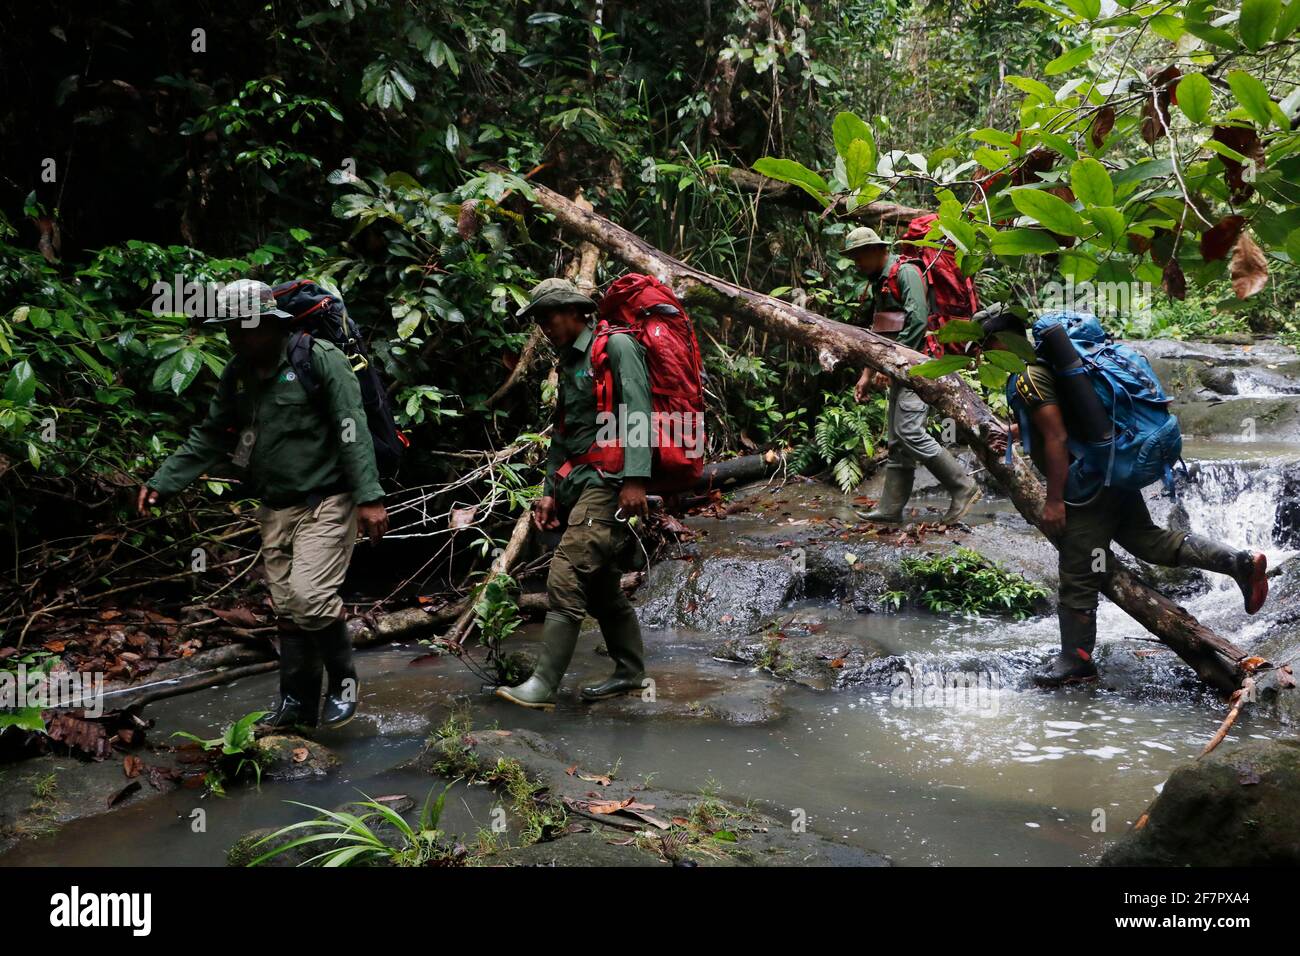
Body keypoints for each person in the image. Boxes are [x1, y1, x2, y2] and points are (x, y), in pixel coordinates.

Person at [139, 279, 389, 729]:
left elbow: (352, 428)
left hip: (327, 500)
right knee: (289, 611)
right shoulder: (238, 375)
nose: (239, 337)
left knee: (311, 600)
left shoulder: (318, 359)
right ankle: (296, 705)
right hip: (274, 508)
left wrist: (369, 498)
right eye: (233, 329)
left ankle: (344, 685)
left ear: (275, 325)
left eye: (248, 327)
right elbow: (211, 434)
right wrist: (164, 481)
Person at [981, 307, 1269, 687]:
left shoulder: (1028, 376)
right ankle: (1239, 562)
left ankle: (1076, 663)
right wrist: (1015, 433)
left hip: (1085, 483)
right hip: (1114, 464)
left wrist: (1054, 500)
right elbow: (1061, 417)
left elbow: (1056, 437)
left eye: (985, 344)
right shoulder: (1055, 365)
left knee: (1078, 571)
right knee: (1147, 539)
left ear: (1001, 343)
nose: (983, 352)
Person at [495, 278, 651, 711]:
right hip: (582, 482)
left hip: (612, 481)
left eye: (550, 316)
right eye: (539, 320)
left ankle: (543, 685)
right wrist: (550, 492)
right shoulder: (570, 361)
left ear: (576, 311)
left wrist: (637, 479)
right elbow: (565, 431)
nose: (544, 326)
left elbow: (639, 409)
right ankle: (631, 673)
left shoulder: (616, 348)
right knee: (600, 584)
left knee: (566, 573)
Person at [842, 226, 980, 524]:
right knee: (896, 439)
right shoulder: (879, 283)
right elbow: (879, 332)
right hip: (900, 366)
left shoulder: (906, 273)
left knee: (909, 431)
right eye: (853, 257)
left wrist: (892, 365)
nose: (856, 263)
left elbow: (917, 322)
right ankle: (891, 508)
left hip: (920, 366)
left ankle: (963, 485)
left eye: (860, 255)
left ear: (879, 250)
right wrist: (868, 373)